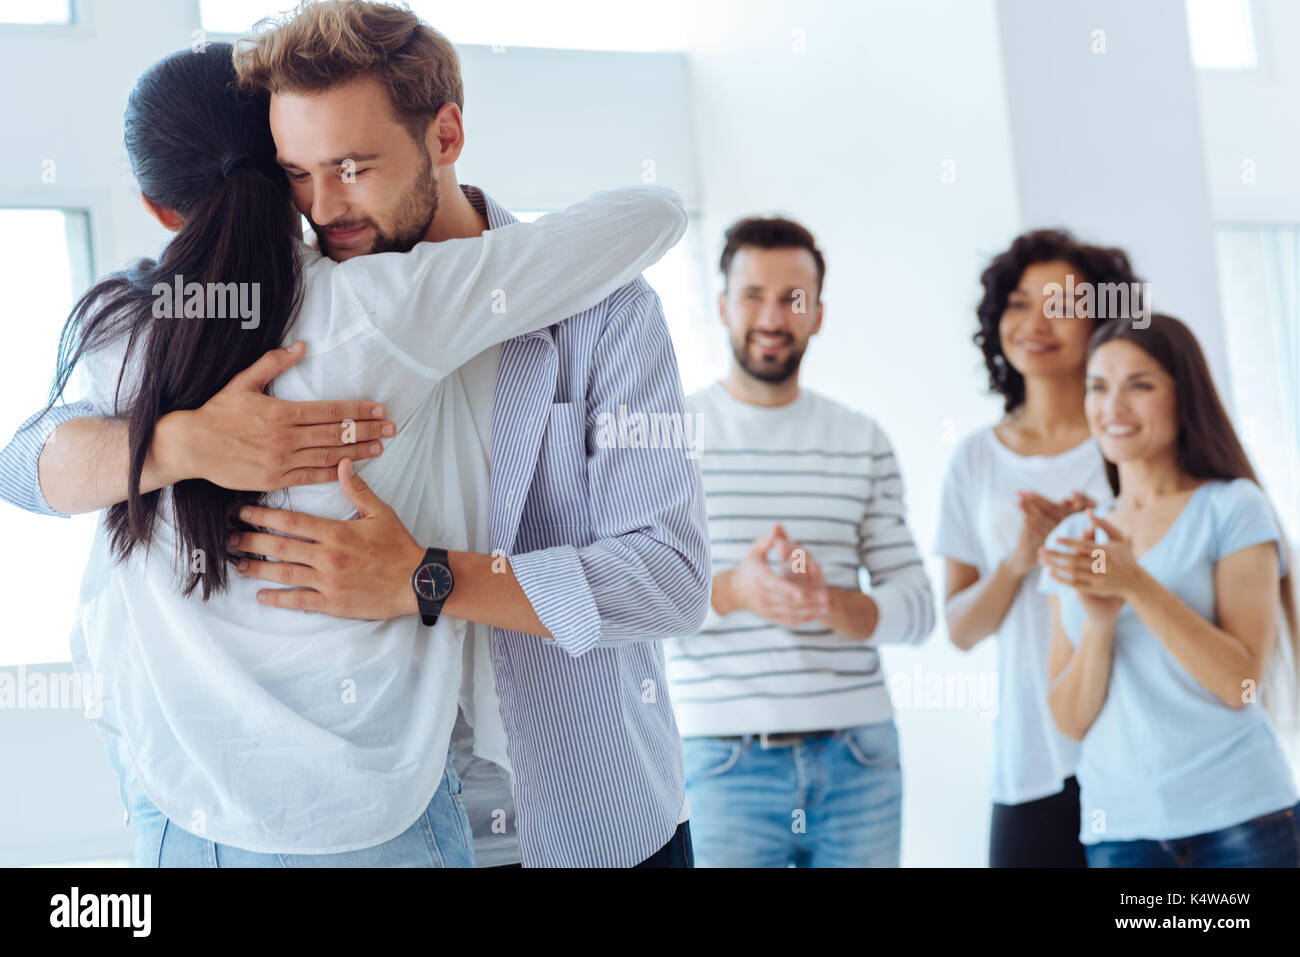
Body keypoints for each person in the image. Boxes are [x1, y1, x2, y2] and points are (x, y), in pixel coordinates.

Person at [5, 0, 708, 868]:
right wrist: (186, 441)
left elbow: (671, 581)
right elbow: (30, 458)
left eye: (351, 166)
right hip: (387, 824)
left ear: (445, 134)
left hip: (577, 809)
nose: (323, 208)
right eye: (296, 174)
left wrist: (429, 578)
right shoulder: (275, 314)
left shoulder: (608, 312)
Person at [663, 216, 935, 867]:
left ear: (818, 314)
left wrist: (831, 604)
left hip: (860, 756)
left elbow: (918, 609)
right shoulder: (668, 434)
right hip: (722, 760)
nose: (772, 315)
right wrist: (733, 589)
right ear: (724, 306)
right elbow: (630, 602)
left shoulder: (862, 438)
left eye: (793, 298)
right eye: (753, 294)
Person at [1039, 313, 1300, 867]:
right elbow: (1069, 719)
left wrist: (1136, 582)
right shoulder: (1072, 539)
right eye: (1098, 387)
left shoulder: (1232, 508)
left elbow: (1241, 686)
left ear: (1185, 397)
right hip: (1121, 833)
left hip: (1241, 822)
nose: (1114, 407)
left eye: (1141, 385)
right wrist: (1101, 622)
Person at [935, 229, 1144, 867]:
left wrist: (1094, 549)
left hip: (1136, 737)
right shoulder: (975, 457)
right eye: (1020, 303)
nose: (1034, 322)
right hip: (1031, 756)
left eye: (1061, 305)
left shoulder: (1129, 436)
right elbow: (961, 630)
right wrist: (1022, 559)